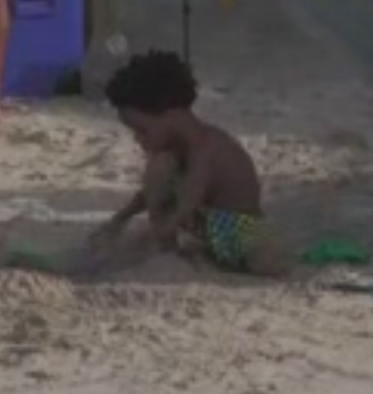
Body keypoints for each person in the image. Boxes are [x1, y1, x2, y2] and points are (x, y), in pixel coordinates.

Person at [93, 51, 287, 275]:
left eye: (142, 130)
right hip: (208, 228)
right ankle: (167, 247)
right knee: (160, 167)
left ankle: (166, 248)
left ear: (171, 114)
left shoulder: (206, 148)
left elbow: (189, 201)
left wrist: (166, 228)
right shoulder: (173, 151)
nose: (138, 139)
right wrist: (119, 219)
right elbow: (149, 194)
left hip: (240, 231)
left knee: (264, 258)